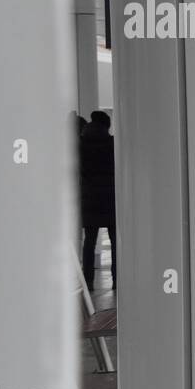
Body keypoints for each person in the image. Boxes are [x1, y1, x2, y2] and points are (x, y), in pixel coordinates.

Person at [79, 110, 116, 291]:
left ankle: (87, 280)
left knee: (90, 241)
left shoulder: (82, 144)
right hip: (110, 199)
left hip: (89, 199)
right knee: (115, 241)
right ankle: (118, 279)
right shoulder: (112, 144)